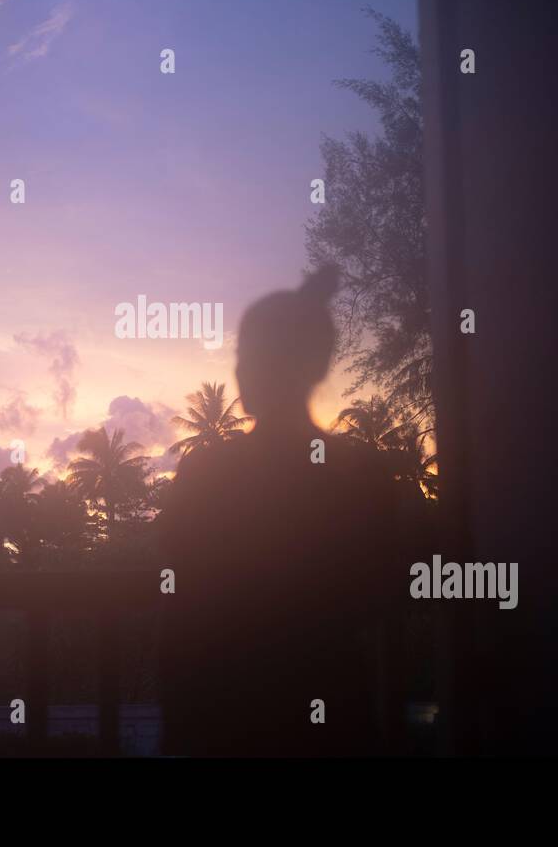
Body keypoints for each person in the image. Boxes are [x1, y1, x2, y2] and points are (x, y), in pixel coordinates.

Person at [159, 266, 410, 756]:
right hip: (336, 720)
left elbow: (178, 611)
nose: (240, 370)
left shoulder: (208, 474)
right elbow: (379, 595)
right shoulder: (361, 472)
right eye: (241, 356)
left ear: (306, 366)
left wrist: (180, 723)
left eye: (251, 356)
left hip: (229, 723)